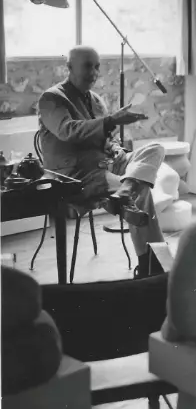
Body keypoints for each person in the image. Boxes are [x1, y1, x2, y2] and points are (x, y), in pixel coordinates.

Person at [37, 46, 165, 278]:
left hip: (106, 165)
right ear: (69, 68)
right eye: (88, 66)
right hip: (76, 175)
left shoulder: (96, 100)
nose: (94, 72)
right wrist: (111, 120)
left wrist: (115, 148)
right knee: (141, 189)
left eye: (97, 66)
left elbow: (106, 138)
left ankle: (126, 190)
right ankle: (150, 264)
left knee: (155, 149)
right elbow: (68, 131)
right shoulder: (51, 99)